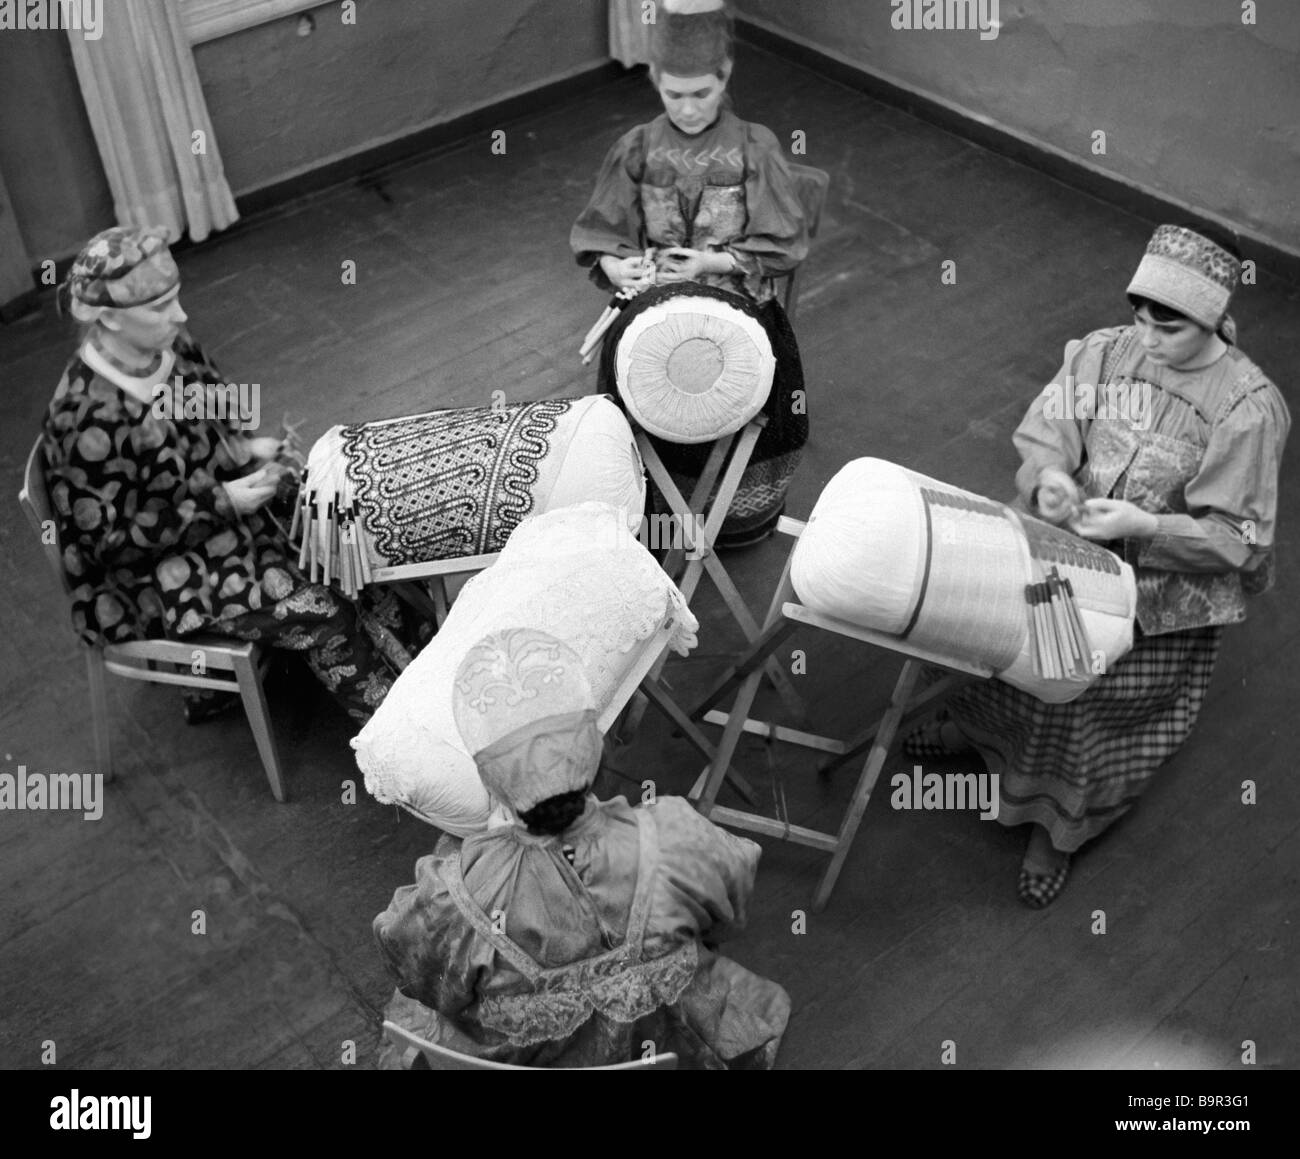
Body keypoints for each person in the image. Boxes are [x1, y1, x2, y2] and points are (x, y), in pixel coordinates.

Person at [905, 223, 1290, 908]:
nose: (1146, 337)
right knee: (993, 631)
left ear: (1211, 320)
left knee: (1077, 693)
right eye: (1138, 317)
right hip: (1063, 543)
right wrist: (1050, 475)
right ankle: (973, 728)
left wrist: (1146, 525)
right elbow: (1048, 429)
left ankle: (1056, 826)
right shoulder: (1105, 354)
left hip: (1156, 587)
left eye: (1167, 328)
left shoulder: (1244, 408)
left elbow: (1241, 537)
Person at [43, 225, 424, 725]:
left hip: (211, 516)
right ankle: (402, 732)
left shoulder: (168, 347)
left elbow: (212, 413)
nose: (179, 316)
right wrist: (223, 501)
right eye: (159, 307)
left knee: (341, 530)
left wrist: (247, 446)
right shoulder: (84, 415)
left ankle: (430, 671)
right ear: (109, 317)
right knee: (320, 607)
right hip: (149, 577)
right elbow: (109, 545)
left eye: (175, 299)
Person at [374, 627, 791, 1068]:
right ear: (595, 746)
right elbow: (729, 906)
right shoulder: (675, 837)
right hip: (662, 1045)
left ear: (488, 780)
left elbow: (411, 968)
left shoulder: (453, 897)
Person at [571, 0, 808, 548]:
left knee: (732, 392)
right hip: (656, 302)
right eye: (673, 95)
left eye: (701, 93)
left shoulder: (755, 148)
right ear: (655, 80)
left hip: (741, 308)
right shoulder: (639, 146)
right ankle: (650, 509)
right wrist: (617, 261)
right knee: (640, 380)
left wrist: (712, 262)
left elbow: (786, 243)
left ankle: (728, 520)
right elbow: (600, 230)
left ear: (724, 76)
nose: (689, 109)